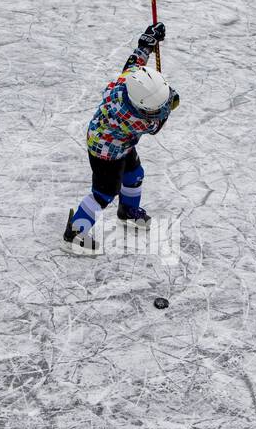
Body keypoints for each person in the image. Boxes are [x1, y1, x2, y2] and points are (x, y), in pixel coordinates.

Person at [62, 23, 179, 256]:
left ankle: (127, 211)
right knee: (104, 193)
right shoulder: (135, 118)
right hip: (106, 151)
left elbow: (134, 64)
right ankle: (74, 233)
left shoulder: (127, 82)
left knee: (134, 175)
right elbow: (158, 124)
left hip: (119, 142)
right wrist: (171, 101)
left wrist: (147, 43)